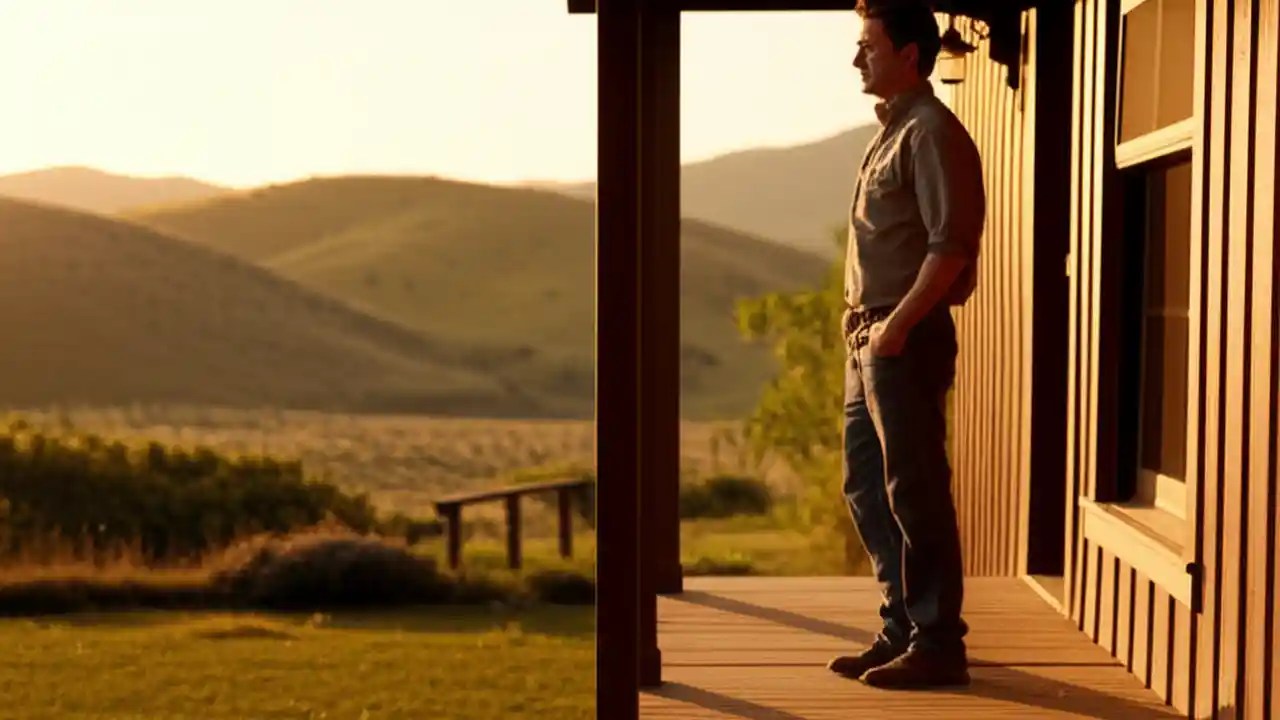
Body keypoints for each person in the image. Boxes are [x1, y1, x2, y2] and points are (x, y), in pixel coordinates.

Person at [825, 0, 985, 689]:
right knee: (865, 485)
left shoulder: (930, 133)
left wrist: (894, 327)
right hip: (871, 338)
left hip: (902, 338)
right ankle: (900, 628)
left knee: (913, 488)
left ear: (909, 54)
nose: (857, 58)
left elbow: (951, 250)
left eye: (869, 45)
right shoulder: (891, 131)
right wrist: (858, 317)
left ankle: (937, 641)